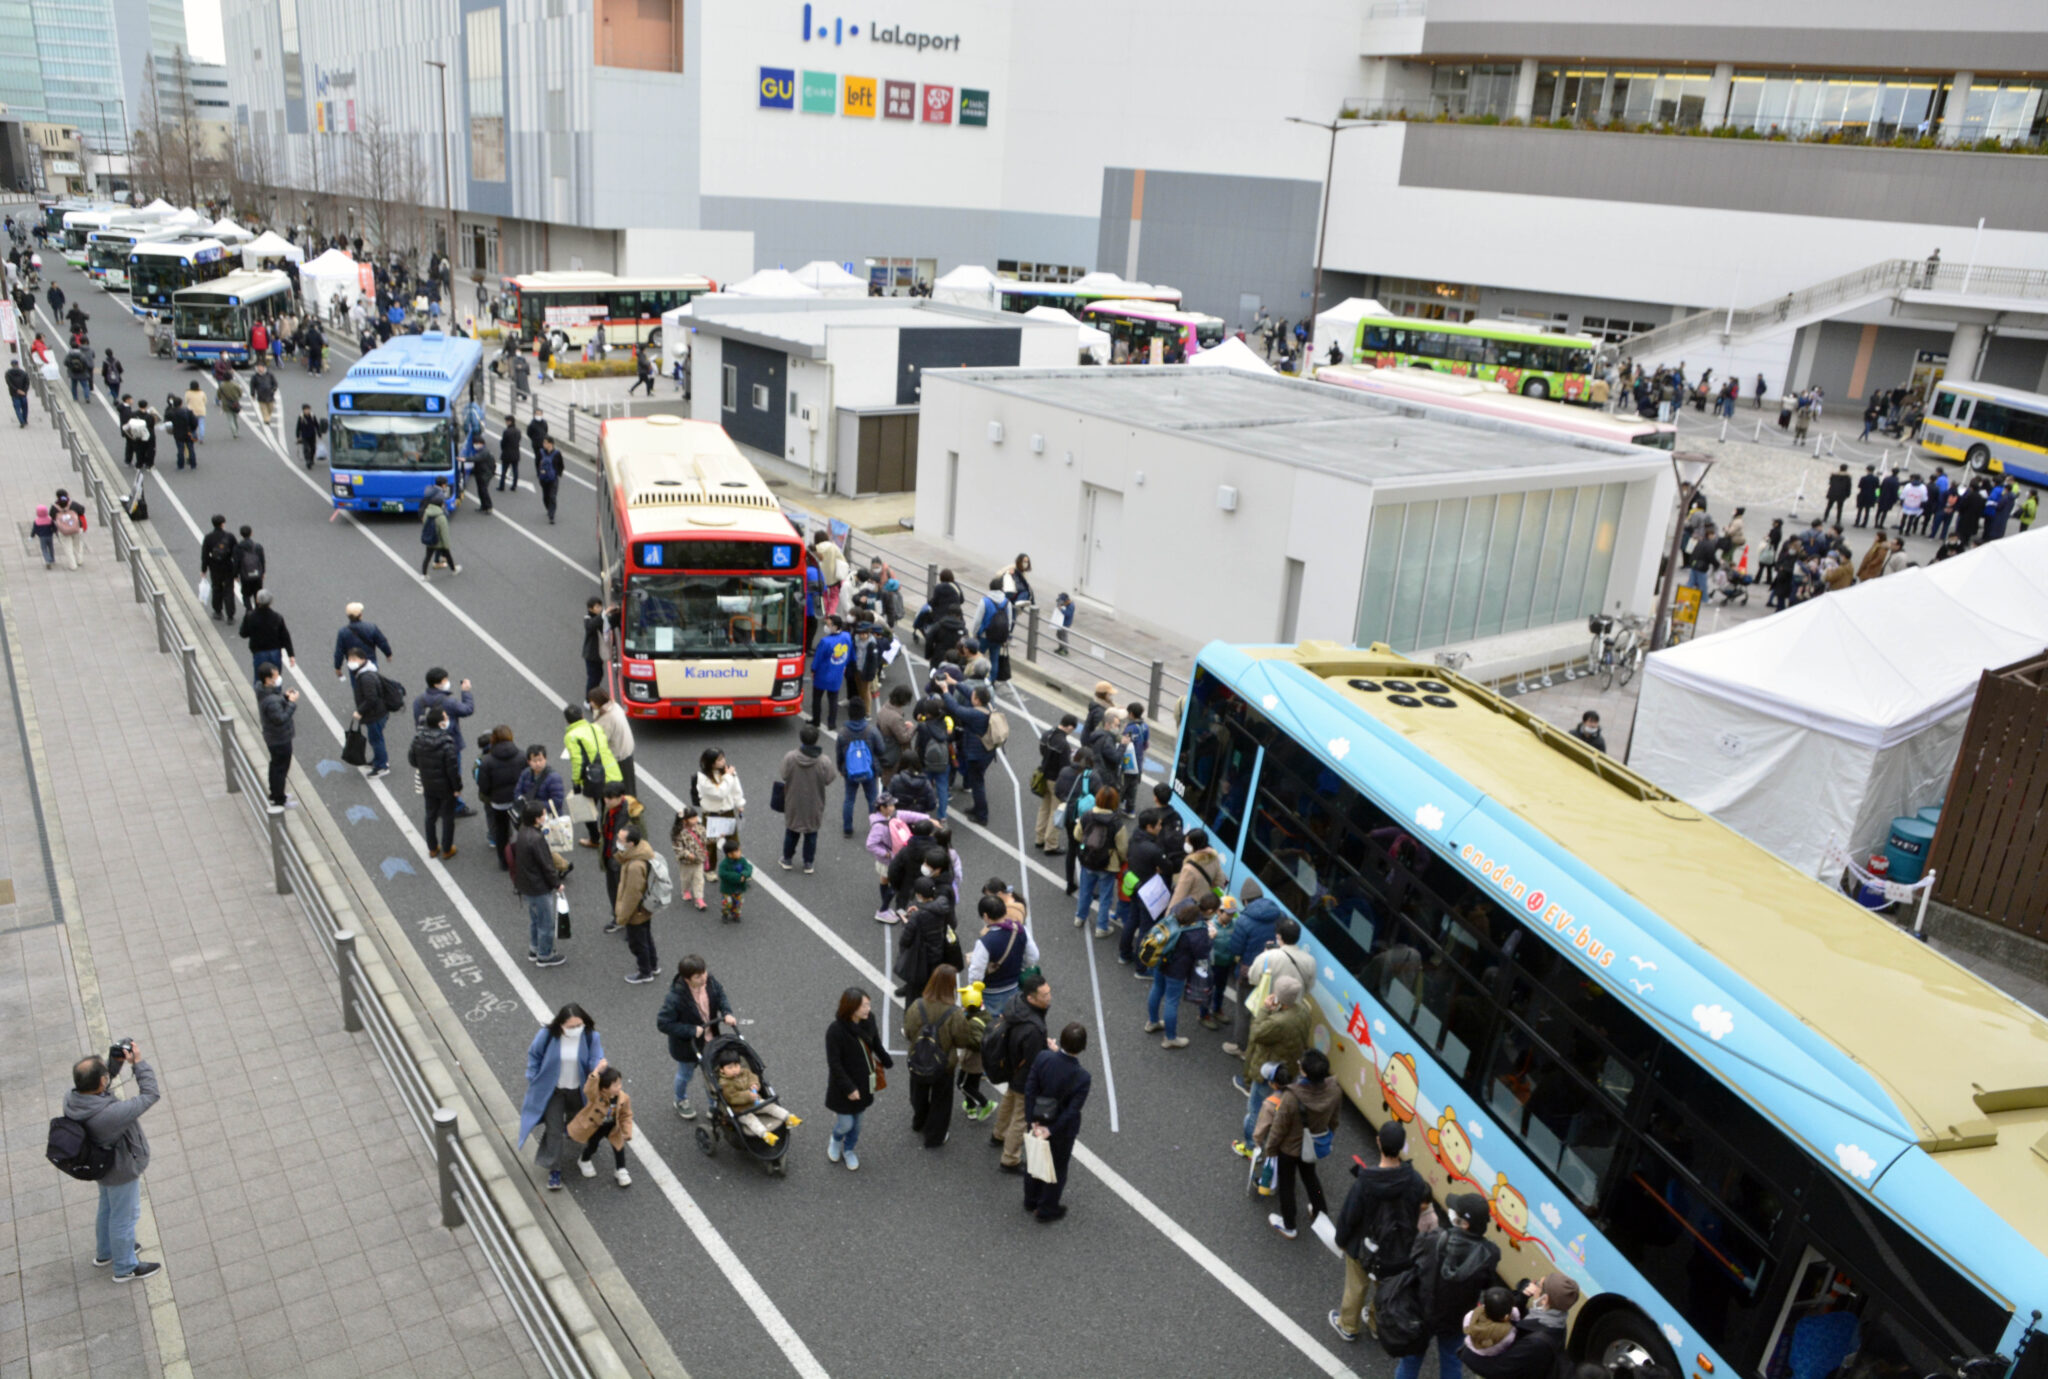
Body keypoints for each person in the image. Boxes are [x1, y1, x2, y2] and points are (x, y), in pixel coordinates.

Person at [65, 1043, 164, 1282]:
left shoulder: (73, 1098)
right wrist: (138, 1063)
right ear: (101, 1082)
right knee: (125, 1218)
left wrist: (115, 1064)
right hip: (120, 1170)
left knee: (108, 1209)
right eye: (105, 1075)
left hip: (102, 1167)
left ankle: (106, 1252)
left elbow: (98, 1086)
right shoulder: (111, 1115)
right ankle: (125, 1267)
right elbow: (151, 1094)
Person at [1330, 1119, 1432, 1343]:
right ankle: (1376, 1324)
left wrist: (1341, 1239)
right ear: (1402, 1146)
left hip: (1364, 1245)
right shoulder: (1414, 1180)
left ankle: (1348, 1325)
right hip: (1398, 1248)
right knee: (1385, 1289)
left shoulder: (1366, 1181)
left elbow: (1350, 1214)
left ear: (1378, 1142)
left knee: (1356, 1286)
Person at [1399, 1192, 1503, 1379]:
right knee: (1451, 1362)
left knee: (1411, 1360)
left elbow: (1413, 1265)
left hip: (1424, 1312)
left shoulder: (1435, 1239)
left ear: (1464, 1223)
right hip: (1457, 1319)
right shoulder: (1490, 1253)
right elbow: (1487, 1283)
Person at [517, 1005, 605, 1191]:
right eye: (572, 1027)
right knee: (554, 1130)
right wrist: (533, 1077)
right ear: (561, 1025)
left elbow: (595, 1058)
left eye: (579, 1025)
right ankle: (554, 1169)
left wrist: (598, 1068)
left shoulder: (590, 1036)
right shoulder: (548, 1035)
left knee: (577, 1123)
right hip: (553, 1091)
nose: (576, 1030)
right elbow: (534, 1055)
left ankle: (569, 1133)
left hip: (578, 1090)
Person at [1260, 1048, 1341, 1238]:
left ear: (1304, 1072)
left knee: (1287, 1185)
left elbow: (1278, 1129)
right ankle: (1320, 1211)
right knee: (1310, 1178)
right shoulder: (1335, 1091)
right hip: (1311, 1145)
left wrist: (1270, 1149)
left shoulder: (1292, 1097)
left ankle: (1289, 1225)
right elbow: (1334, 1121)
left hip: (1289, 1149)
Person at [902, 964, 982, 1148]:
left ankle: (919, 1122)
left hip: (918, 1058)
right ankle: (935, 1136)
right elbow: (962, 1040)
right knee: (941, 1101)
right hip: (944, 1064)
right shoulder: (955, 1013)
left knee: (918, 1093)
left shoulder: (916, 1005)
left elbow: (907, 1032)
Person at [1234, 974, 1311, 1158]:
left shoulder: (1278, 1021)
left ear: (1281, 998)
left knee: (1256, 1110)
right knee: (1276, 1106)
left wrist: (1265, 1010)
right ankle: (1271, 1139)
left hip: (1269, 1071)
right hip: (1288, 1068)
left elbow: (1257, 1033)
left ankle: (1252, 1146)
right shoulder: (1303, 1012)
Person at [1021, 1022, 1091, 1222]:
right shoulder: (1082, 1077)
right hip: (1060, 1131)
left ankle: (1030, 1199)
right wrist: (1051, 1129)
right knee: (1057, 1168)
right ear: (1083, 1047)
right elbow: (1072, 1110)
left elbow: (1030, 1090)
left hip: (1036, 1121)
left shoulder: (1043, 1058)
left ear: (1060, 1040)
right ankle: (1047, 1208)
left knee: (1034, 1160)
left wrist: (1031, 1120)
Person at [656, 954, 736, 1118]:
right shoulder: (675, 998)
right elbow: (663, 1023)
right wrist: (691, 1030)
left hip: (710, 1039)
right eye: (698, 976)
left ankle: (714, 1103)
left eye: (704, 972)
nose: (703, 978)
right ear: (687, 979)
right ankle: (680, 1100)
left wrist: (727, 1012)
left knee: (712, 1074)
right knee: (685, 1074)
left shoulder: (710, 982)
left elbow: (720, 995)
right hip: (688, 1046)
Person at [824, 988, 892, 1171]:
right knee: (846, 1123)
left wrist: (886, 1059)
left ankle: (849, 1150)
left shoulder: (868, 1021)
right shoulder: (835, 1031)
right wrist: (849, 1089)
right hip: (843, 1086)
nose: (868, 1009)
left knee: (857, 1124)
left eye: (868, 1004)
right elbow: (834, 1064)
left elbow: (875, 1043)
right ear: (851, 1008)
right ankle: (836, 1138)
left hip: (864, 1082)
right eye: (864, 1005)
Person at [1461, 1276, 1579, 1379]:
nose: (1534, 1285)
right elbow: (1516, 1317)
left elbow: (1497, 1369)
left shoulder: (1536, 1343)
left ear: (1545, 1300)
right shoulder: (1556, 1321)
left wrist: (1466, 1352)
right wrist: (1522, 1298)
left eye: (1538, 1284)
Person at [967, 884, 1037, 1021]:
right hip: (1014, 988)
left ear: (986, 916)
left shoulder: (985, 942)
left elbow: (976, 976)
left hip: (991, 994)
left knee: (994, 1028)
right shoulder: (1021, 930)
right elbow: (1033, 957)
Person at [512, 802, 568, 966]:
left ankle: (535, 948)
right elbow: (546, 864)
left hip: (527, 884)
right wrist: (557, 883)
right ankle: (545, 955)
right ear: (537, 819)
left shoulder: (523, 831)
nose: (546, 817)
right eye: (544, 814)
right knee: (546, 922)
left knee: (536, 919)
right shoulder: (536, 838)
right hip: (538, 886)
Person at [564, 1064, 635, 1188]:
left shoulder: (623, 1098)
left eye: (619, 1083)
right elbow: (588, 1089)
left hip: (613, 1127)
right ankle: (584, 1160)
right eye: (616, 1085)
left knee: (619, 1148)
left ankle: (621, 1169)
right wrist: (596, 1071)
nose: (620, 1087)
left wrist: (627, 1131)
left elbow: (626, 1115)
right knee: (593, 1145)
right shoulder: (596, 1096)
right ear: (604, 1088)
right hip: (596, 1127)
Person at [409, 705, 464, 859]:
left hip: (428, 783)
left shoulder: (418, 738)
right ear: (440, 723)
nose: (448, 720)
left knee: (430, 815)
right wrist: (457, 787)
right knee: (447, 817)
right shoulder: (447, 742)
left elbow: (412, 760)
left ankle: (432, 848)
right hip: (445, 786)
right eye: (446, 718)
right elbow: (452, 769)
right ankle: (447, 848)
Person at [564, 702, 622, 847]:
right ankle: (609, 835)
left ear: (567, 721)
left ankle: (595, 839)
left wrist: (576, 781)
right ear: (583, 716)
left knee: (586, 809)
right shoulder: (596, 727)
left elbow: (577, 761)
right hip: (612, 772)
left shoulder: (571, 736)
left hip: (594, 779)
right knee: (608, 808)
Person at [1073, 785, 1128, 936]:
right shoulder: (1117, 823)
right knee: (1105, 897)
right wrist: (1122, 860)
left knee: (1085, 890)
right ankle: (1101, 927)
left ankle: (1080, 917)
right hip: (1108, 864)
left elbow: (1077, 835)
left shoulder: (1087, 815)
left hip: (1088, 859)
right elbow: (1123, 848)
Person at [612, 825, 661, 984]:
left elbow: (631, 895)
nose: (617, 841)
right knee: (646, 937)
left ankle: (645, 972)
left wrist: (622, 916)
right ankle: (653, 965)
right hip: (645, 908)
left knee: (637, 943)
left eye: (621, 839)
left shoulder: (634, 866)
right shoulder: (642, 853)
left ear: (631, 844)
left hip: (636, 911)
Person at [254, 662, 299, 808]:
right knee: (280, 768)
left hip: (273, 737)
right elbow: (280, 718)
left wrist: (284, 698)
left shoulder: (264, 691)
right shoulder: (271, 699)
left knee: (275, 766)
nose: (278, 678)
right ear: (268, 679)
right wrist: (291, 703)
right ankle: (280, 799)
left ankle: (276, 794)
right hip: (279, 738)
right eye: (275, 676)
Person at [345, 646, 393, 778]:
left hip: (375, 714)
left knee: (376, 740)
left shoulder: (365, 677)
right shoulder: (366, 672)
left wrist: (360, 711)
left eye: (354, 659)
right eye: (349, 659)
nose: (350, 662)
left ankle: (382, 766)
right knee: (375, 739)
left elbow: (371, 698)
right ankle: (378, 760)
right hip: (377, 713)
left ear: (362, 659)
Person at [695, 749, 746, 868]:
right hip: (711, 815)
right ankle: (709, 869)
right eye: (719, 760)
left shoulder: (728, 771)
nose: (723, 761)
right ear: (711, 763)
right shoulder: (703, 778)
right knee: (710, 845)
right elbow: (719, 793)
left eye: (723, 758)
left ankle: (736, 866)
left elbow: (735, 788)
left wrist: (739, 803)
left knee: (734, 842)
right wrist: (728, 776)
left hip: (728, 812)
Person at [587, 688, 637, 799]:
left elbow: (600, 740)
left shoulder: (606, 719)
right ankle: (631, 801)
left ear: (598, 701)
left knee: (619, 782)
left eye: (592, 701)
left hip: (618, 752)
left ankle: (626, 805)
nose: (590, 703)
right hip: (626, 747)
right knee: (629, 780)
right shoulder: (614, 706)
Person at [199, 514, 239, 622]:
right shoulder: (230, 537)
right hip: (228, 566)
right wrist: (236, 572)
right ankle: (230, 615)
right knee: (229, 590)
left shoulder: (208, 538)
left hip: (215, 567)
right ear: (222, 524)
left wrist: (204, 569)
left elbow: (205, 555)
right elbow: (236, 554)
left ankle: (217, 611)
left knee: (216, 588)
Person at [717, 836, 753, 923]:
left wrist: (744, 875)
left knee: (738, 903)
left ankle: (736, 914)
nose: (739, 852)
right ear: (729, 854)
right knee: (727, 903)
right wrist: (738, 877)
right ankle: (725, 914)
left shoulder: (742, 860)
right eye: (737, 851)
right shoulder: (724, 864)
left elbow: (749, 868)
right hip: (727, 889)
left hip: (739, 889)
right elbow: (723, 874)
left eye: (739, 850)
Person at [420, 497, 457, 576]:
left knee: (427, 557)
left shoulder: (427, 513)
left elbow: (424, 524)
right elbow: (444, 533)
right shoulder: (441, 517)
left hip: (430, 540)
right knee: (448, 556)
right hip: (439, 542)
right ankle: (454, 570)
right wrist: (446, 545)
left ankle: (424, 574)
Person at [582, 597, 610, 696]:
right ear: (590, 609)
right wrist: (604, 614)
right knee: (593, 678)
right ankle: (589, 699)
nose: (600, 608)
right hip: (591, 655)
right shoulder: (588, 619)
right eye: (597, 607)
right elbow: (590, 626)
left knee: (599, 675)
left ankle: (594, 696)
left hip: (598, 654)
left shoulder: (601, 618)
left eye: (600, 606)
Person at [536, 436, 562, 524]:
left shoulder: (557, 454)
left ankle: (552, 516)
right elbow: (537, 462)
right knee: (545, 497)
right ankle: (549, 509)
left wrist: (557, 473)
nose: (544, 444)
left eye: (545, 443)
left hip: (553, 478)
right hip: (543, 478)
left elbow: (561, 465)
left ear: (551, 444)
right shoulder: (541, 453)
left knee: (552, 496)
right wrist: (539, 473)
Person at [250, 361, 279, 428]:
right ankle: (266, 420)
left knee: (271, 408)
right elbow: (252, 386)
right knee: (263, 408)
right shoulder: (255, 377)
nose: (260, 368)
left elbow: (275, 383)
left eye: (261, 367)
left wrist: (274, 389)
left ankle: (267, 417)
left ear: (264, 368)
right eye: (258, 367)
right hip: (261, 395)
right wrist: (253, 394)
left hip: (270, 394)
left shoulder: (269, 375)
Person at [216, 370, 243, 439]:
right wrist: (238, 397)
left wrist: (220, 399)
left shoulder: (222, 385)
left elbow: (218, 394)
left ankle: (234, 433)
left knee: (230, 419)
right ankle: (236, 430)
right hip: (235, 403)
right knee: (235, 418)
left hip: (226, 404)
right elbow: (240, 392)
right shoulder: (235, 384)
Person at [498, 415, 521, 491]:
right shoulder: (518, 431)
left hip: (507, 453)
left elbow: (503, 443)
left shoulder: (507, 432)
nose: (506, 423)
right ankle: (514, 486)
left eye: (506, 421)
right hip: (516, 453)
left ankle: (502, 486)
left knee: (504, 471)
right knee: (515, 470)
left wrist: (503, 448)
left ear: (509, 421)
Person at [295, 403, 321, 468]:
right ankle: (307, 461)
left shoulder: (312, 416)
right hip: (304, 436)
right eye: (306, 410)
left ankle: (311, 459)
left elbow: (316, 425)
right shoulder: (301, 417)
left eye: (308, 409)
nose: (307, 411)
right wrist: (298, 436)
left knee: (313, 448)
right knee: (306, 448)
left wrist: (319, 433)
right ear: (303, 410)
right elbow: (298, 428)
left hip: (312, 435)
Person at [30, 503, 55, 570]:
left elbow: (34, 530)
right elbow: (54, 526)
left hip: (42, 537)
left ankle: (47, 560)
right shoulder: (49, 519)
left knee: (44, 549)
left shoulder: (37, 521)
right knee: (51, 547)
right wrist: (54, 532)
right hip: (49, 536)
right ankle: (52, 559)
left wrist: (32, 536)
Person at [5, 356, 28, 427]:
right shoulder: (23, 373)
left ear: (11, 365)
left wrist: (17, 390)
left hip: (14, 393)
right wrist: (24, 391)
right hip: (23, 393)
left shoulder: (8, 374)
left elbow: (9, 384)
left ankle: (22, 421)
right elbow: (27, 383)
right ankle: (24, 419)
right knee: (25, 407)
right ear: (18, 364)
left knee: (17, 408)